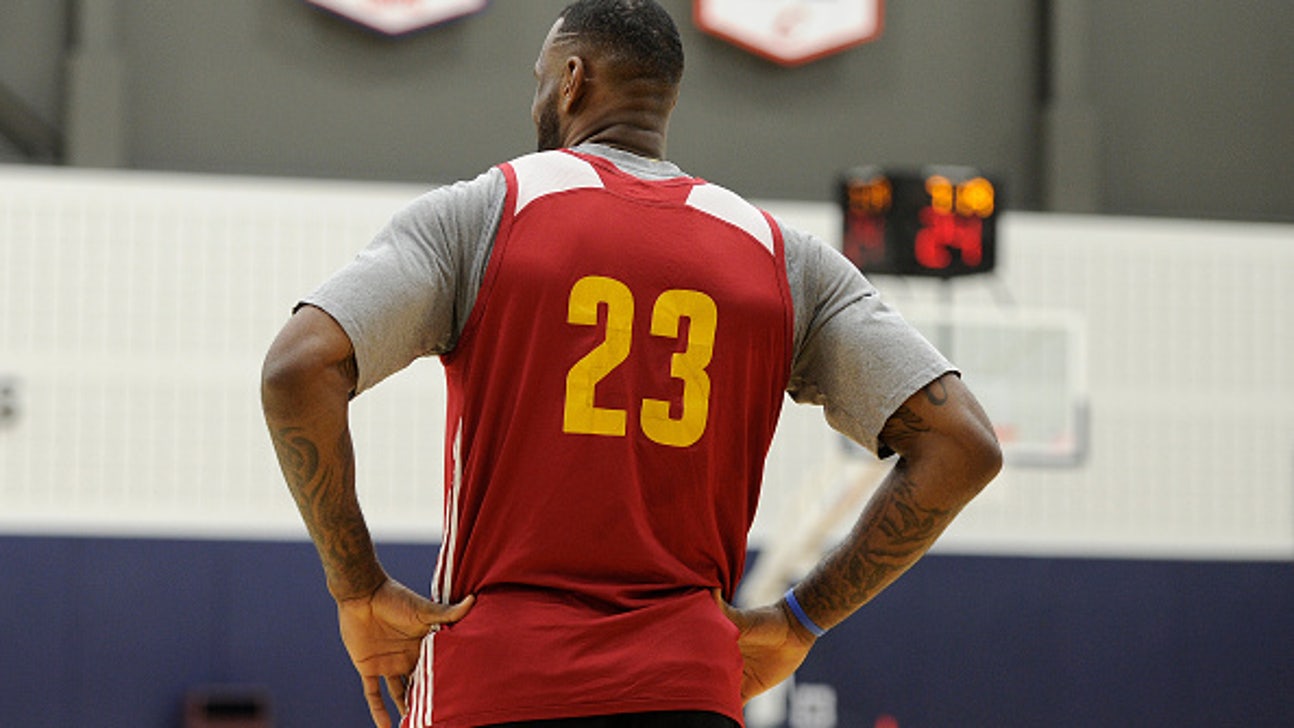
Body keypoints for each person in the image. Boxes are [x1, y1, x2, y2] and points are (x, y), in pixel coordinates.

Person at [260, 1, 1002, 726]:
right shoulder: (783, 258)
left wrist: (356, 586)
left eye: (540, 79)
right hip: (688, 685)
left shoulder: (487, 212)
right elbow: (963, 444)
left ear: (573, 80)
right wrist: (801, 620)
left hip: (497, 681)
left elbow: (298, 368)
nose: (536, 99)